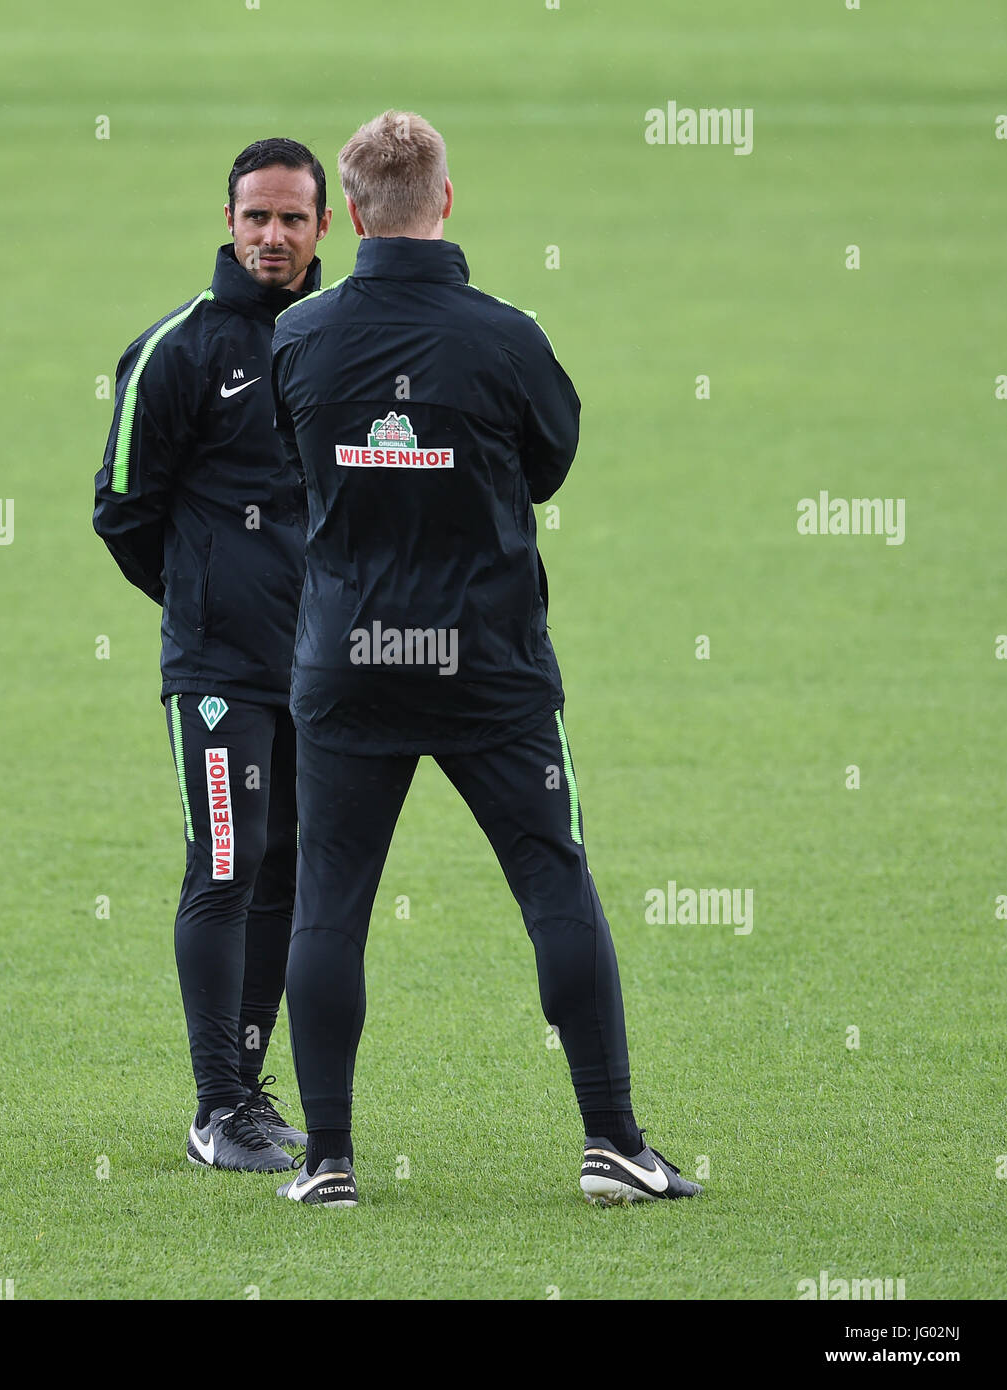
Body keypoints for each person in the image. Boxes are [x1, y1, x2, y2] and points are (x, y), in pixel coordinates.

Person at [270, 111, 702, 1208]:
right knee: (555, 884)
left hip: (349, 658)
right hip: (489, 665)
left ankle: (327, 1162)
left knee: (329, 899)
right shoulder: (509, 334)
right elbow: (550, 462)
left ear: (351, 213)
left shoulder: (300, 336)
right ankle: (612, 1142)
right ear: (446, 201)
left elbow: (306, 463)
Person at [94, 138, 332, 1173]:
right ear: (227, 225)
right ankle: (212, 1110)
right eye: (256, 217)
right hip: (218, 673)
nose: (272, 236)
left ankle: (247, 1086)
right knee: (225, 867)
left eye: (292, 218)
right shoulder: (179, 349)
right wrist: (205, 600)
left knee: (284, 872)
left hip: (318, 670)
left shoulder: (338, 342)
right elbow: (122, 512)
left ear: (327, 227)